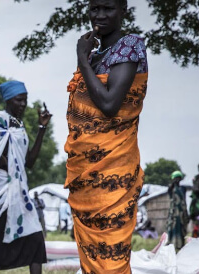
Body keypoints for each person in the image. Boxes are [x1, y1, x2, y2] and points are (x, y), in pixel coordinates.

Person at [65, 0, 148, 271]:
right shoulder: (95, 53)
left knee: (111, 257)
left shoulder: (130, 45)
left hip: (114, 169)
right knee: (91, 255)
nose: (99, 16)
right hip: (86, 173)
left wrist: (81, 59)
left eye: (108, 8)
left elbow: (111, 105)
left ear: (123, 10)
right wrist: (86, 58)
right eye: (94, 8)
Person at [0, 80, 51, 274]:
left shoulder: (19, 127)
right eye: (19, 100)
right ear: (8, 100)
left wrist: (42, 128)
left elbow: (28, 161)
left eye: (25, 100)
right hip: (0, 192)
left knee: (35, 240)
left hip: (19, 192)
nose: (23, 104)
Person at [166, 171, 189, 250]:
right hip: (173, 212)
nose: (177, 180)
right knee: (172, 227)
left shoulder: (183, 188)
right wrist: (173, 184)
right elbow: (169, 193)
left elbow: (183, 199)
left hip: (181, 212)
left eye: (178, 178)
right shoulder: (171, 188)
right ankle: (171, 244)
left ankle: (180, 245)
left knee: (181, 228)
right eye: (175, 178)